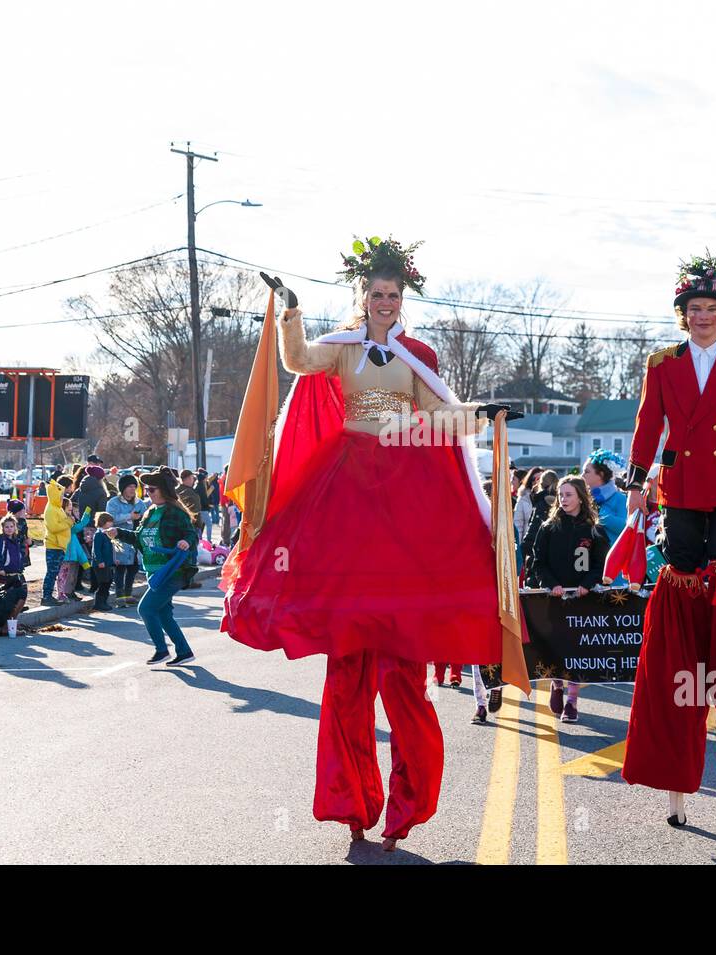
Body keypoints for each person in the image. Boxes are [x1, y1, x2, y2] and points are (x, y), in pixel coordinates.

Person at [220, 239, 514, 851]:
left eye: (394, 296)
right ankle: (352, 805)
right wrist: (291, 311)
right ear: (363, 298)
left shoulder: (419, 353)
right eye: (376, 295)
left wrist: (484, 415)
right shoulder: (343, 348)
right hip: (347, 499)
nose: (385, 303)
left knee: (403, 673)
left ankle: (406, 810)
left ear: (403, 301)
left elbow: (442, 419)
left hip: (405, 498)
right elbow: (297, 360)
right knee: (347, 670)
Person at [621, 252, 716, 826]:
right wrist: (637, 483)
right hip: (681, 486)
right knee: (682, 577)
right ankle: (684, 660)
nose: (702, 316)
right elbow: (646, 425)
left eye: (711, 308)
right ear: (683, 315)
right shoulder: (663, 364)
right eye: (694, 309)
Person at [530, 475, 611, 724]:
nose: (564, 499)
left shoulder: (594, 529)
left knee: (577, 649)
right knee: (556, 646)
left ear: (580, 498)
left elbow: (601, 564)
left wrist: (587, 585)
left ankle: (572, 701)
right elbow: (538, 563)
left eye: (569, 495)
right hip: (555, 597)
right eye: (561, 495)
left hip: (582, 598)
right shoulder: (548, 527)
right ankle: (557, 684)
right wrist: (551, 584)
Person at [110, 470, 197, 665]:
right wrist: (118, 533)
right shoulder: (150, 512)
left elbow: (192, 534)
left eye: (152, 489)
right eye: (146, 489)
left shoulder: (175, 512)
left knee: (146, 609)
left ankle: (161, 650)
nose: (148, 492)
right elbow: (138, 538)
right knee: (164, 613)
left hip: (172, 571)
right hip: (154, 572)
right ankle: (184, 652)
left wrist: (185, 541)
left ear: (164, 490)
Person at [106, 474, 148, 602]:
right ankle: (120, 596)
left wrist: (141, 519)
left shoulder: (140, 503)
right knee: (120, 568)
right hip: (119, 540)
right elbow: (109, 520)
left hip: (135, 540)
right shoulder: (113, 503)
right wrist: (129, 516)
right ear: (122, 488)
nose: (132, 489)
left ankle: (128, 594)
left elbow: (147, 518)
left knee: (133, 567)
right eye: (129, 486)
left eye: (134, 486)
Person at [42, 478, 73, 606]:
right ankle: (46, 596)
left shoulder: (57, 508)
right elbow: (54, 527)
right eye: (60, 495)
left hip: (60, 545)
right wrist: (68, 522)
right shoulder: (51, 509)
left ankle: (49, 595)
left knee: (54, 572)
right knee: (51, 572)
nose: (62, 498)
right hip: (53, 546)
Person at [90, 512, 116, 611]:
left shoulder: (107, 534)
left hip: (108, 563)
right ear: (103, 522)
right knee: (103, 583)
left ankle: (104, 601)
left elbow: (111, 548)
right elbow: (96, 550)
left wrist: (114, 559)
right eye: (110, 522)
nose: (111, 524)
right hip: (100, 564)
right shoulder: (99, 534)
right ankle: (99, 603)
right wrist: (100, 561)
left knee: (108, 581)